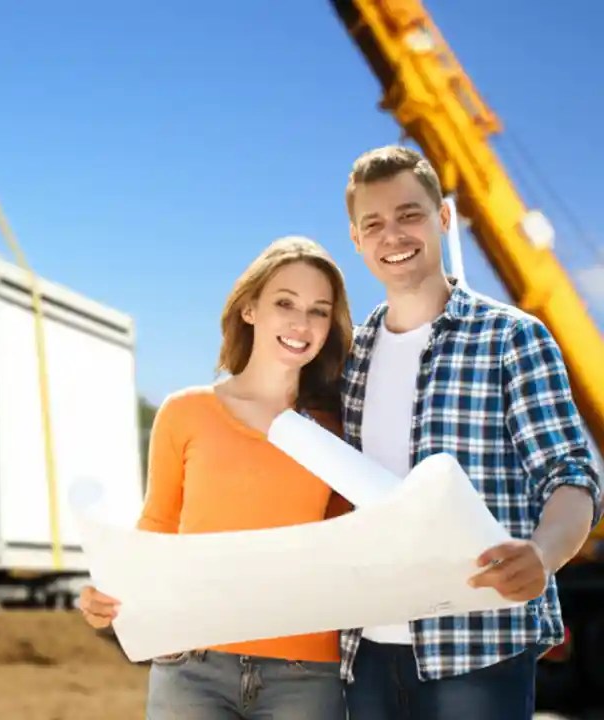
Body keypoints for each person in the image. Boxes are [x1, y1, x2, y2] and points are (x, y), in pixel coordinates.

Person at [337, 145, 603, 719]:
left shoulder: (513, 337)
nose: (393, 235)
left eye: (409, 214)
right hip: (364, 648)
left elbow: (571, 476)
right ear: (357, 242)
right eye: (373, 224)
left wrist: (543, 552)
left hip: (477, 647)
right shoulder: (347, 358)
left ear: (443, 219)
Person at [78, 236, 356, 719]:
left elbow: (349, 546)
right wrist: (112, 593)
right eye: (284, 303)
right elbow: (158, 528)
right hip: (193, 668)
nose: (300, 323)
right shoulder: (185, 412)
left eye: (318, 310)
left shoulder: (332, 429)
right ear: (249, 309)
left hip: (305, 674)